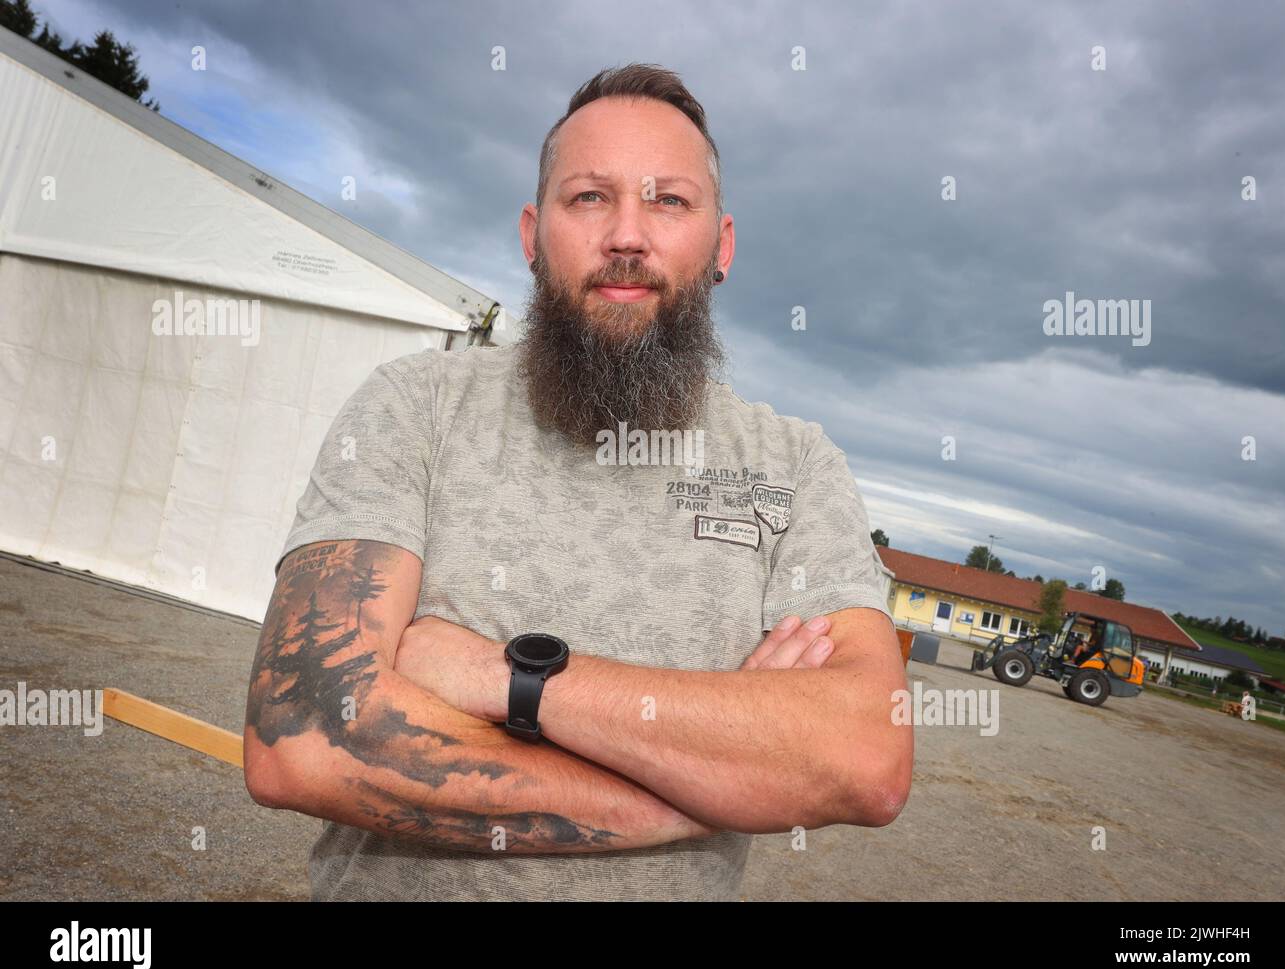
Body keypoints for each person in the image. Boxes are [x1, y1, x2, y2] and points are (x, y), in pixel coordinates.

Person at [243, 63, 912, 902]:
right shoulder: (415, 407)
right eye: (589, 197)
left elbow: (864, 758)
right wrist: (712, 781)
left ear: (722, 247)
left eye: (669, 200)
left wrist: (507, 679)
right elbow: (300, 735)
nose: (627, 235)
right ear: (532, 234)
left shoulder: (795, 466)